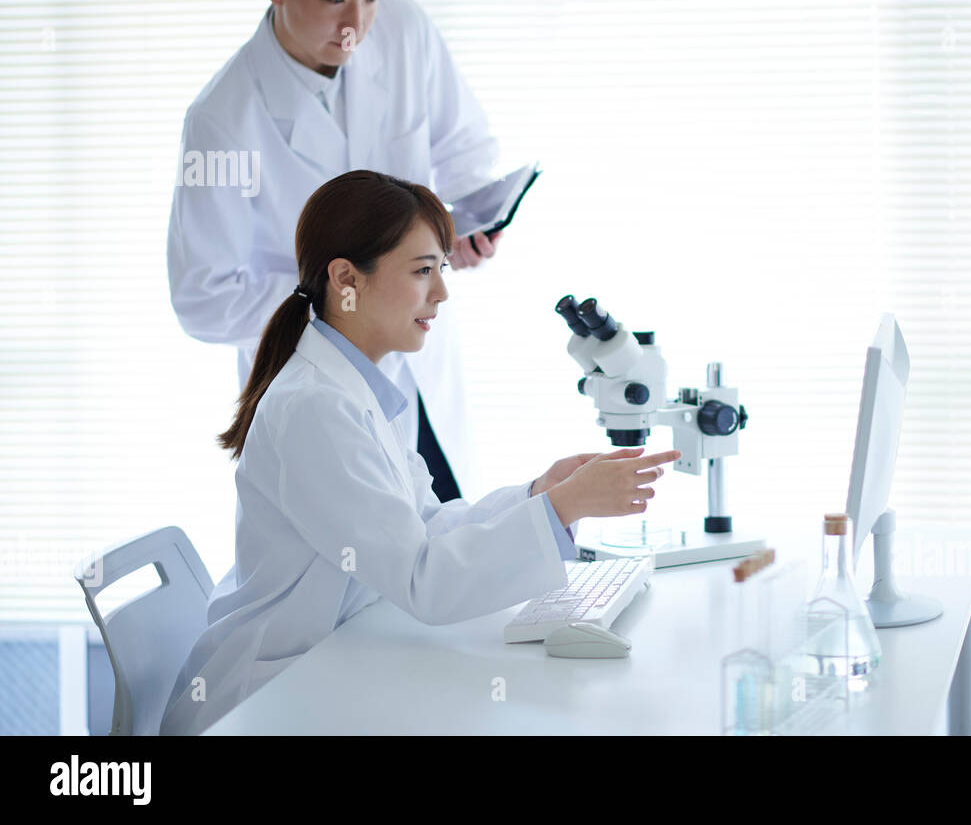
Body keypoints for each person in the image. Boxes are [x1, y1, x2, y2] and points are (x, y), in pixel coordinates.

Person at [159, 170, 680, 736]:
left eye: (443, 269)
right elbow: (421, 580)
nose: (441, 293)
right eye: (422, 270)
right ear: (346, 279)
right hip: (264, 699)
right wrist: (561, 512)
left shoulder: (353, 389)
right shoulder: (315, 408)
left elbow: (424, 526)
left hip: (331, 661)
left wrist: (542, 494)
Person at [167, 0, 498, 502]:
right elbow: (203, 297)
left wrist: (473, 216)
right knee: (357, 566)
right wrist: (348, 300)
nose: (358, 26)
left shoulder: (403, 31)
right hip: (316, 383)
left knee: (450, 533)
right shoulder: (223, 121)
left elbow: (464, 152)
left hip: (421, 356)